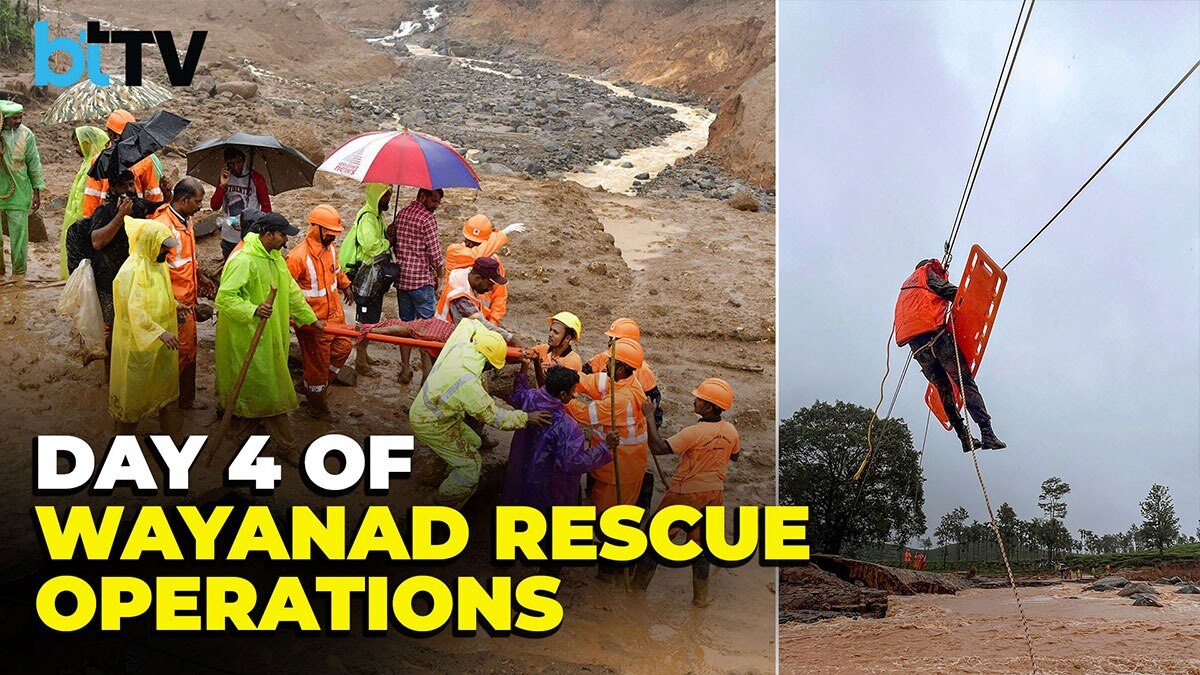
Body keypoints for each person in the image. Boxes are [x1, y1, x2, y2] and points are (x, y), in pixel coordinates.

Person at [215, 213, 324, 461]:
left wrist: (311, 318)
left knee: (258, 394)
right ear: (268, 235)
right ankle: (287, 446)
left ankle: (238, 441)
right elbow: (224, 299)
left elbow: (292, 292)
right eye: (282, 234)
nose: (286, 239)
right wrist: (252, 309)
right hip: (248, 339)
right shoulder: (244, 260)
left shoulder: (274, 258)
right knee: (270, 394)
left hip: (271, 336)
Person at [409, 319, 550, 509]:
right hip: (431, 422)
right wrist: (526, 417)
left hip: (434, 411)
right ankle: (437, 507)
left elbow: (472, 322)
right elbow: (495, 417)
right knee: (470, 468)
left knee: (474, 442)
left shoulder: (461, 343)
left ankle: (437, 472)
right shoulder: (468, 384)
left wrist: (506, 340)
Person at [633, 378, 740, 607]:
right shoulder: (731, 431)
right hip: (714, 495)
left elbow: (659, 448)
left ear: (709, 407)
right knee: (700, 547)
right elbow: (735, 455)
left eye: (699, 399)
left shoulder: (693, 432)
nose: (695, 401)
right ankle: (700, 600)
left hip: (685, 495)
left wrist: (649, 417)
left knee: (655, 541)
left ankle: (636, 592)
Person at [894, 258, 1005, 452]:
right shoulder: (926, 275)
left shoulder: (905, 290)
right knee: (965, 383)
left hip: (919, 351)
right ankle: (987, 434)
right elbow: (949, 291)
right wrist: (967, 297)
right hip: (937, 339)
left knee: (945, 392)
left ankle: (964, 437)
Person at [502, 363, 616, 512]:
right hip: (547, 485)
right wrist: (604, 447)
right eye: (573, 391)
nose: (575, 395)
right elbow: (573, 463)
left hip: (520, 473)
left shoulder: (529, 398)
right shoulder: (566, 426)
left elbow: (518, 392)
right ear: (563, 394)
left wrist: (524, 368)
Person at [108, 218, 183, 436]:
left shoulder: (157, 265)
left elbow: (158, 297)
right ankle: (122, 446)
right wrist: (160, 332)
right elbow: (135, 311)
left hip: (160, 344)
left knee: (164, 393)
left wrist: (176, 306)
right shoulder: (132, 271)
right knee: (132, 398)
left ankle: (170, 442)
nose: (167, 252)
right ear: (150, 243)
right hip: (136, 347)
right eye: (163, 247)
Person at [286, 205, 354, 419]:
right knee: (317, 366)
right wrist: (296, 319)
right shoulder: (298, 257)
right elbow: (285, 290)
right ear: (316, 228)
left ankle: (312, 386)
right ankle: (317, 407)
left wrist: (346, 285)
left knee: (344, 347)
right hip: (314, 323)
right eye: (330, 232)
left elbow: (337, 271)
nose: (334, 237)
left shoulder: (331, 249)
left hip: (335, 318)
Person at [568, 337, 650, 513]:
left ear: (620, 368)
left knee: (607, 519)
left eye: (609, 361)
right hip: (622, 465)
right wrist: (568, 376)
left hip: (618, 472)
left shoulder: (622, 399)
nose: (605, 363)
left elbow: (584, 414)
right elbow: (589, 382)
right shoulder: (624, 381)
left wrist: (562, 398)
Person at [153, 177, 214, 410]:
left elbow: (187, 259)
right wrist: (171, 302)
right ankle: (166, 404)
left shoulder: (186, 220)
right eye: (198, 202)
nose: (200, 207)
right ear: (183, 200)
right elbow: (154, 271)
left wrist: (200, 277)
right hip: (173, 304)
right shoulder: (162, 227)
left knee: (188, 349)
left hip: (187, 299)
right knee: (175, 354)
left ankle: (184, 401)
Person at [338, 183, 392, 377]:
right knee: (366, 316)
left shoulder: (377, 215)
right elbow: (371, 246)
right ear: (376, 196)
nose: (388, 199)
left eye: (389, 195)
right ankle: (360, 361)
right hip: (365, 273)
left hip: (371, 272)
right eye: (385, 195)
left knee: (370, 315)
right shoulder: (368, 217)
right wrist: (388, 241)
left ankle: (363, 354)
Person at [440, 214, 526, 324]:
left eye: (477, 243)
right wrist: (501, 235)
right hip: (455, 320)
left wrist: (493, 322)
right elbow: (476, 256)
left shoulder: (494, 262)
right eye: (468, 240)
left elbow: (499, 295)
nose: (470, 244)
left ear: (485, 242)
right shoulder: (455, 252)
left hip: (483, 320)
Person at [583, 317, 664, 427]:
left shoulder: (643, 370)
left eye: (614, 340)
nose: (609, 343)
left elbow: (654, 410)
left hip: (628, 427)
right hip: (604, 416)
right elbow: (583, 374)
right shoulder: (603, 357)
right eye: (610, 338)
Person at [82, 110, 164, 218]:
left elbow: (153, 195)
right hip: (107, 218)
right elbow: (92, 197)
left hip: (136, 218)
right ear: (111, 135)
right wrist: (91, 224)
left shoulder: (145, 160)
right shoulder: (99, 161)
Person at [0, 100, 44, 279]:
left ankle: (19, 273)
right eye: (14, 118)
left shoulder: (27, 135)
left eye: (20, 117)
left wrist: (37, 191)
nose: (18, 121)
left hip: (18, 193)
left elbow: (34, 163)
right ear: (3, 119)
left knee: (19, 236)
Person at [435, 256, 519, 343]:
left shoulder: (465, 275)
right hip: (444, 343)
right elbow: (480, 325)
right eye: (489, 284)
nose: (490, 289)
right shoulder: (460, 298)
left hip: (450, 335)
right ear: (477, 278)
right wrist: (510, 338)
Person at [60, 126, 107, 279]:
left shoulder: (98, 163)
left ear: (86, 143)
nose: (75, 149)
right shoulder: (87, 162)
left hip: (91, 221)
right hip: (80, 219)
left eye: (76, 145)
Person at [390, 187, 444, 322]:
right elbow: (435, 253)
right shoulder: (427, 219)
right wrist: (440, 276)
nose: (436, 206)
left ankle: (404, 344)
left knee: (406, 323)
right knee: (427, 324)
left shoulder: (401, 213)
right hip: (421, 281)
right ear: (422, 196)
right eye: (434, 201)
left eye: (438, 202)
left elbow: (394, 245)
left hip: (402, 279)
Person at [211, 147, 272, 259]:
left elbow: (266, 207)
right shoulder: (224, 178)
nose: (235, 167)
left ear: (244, 161)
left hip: (249, 235)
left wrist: (259, 226)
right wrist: (222, 186)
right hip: (228, 234)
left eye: (238, 162)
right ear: (226, 164)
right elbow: (214, 206)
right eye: (231, 163)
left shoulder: (257, 178)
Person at [531, 312, 585, 380]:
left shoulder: (573, 361)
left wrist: (537, 365)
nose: (550, 334)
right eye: (551, 330)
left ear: (567, 338)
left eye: (555, 332)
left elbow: (551, 389)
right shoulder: (543, 348)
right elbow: (523, 354)